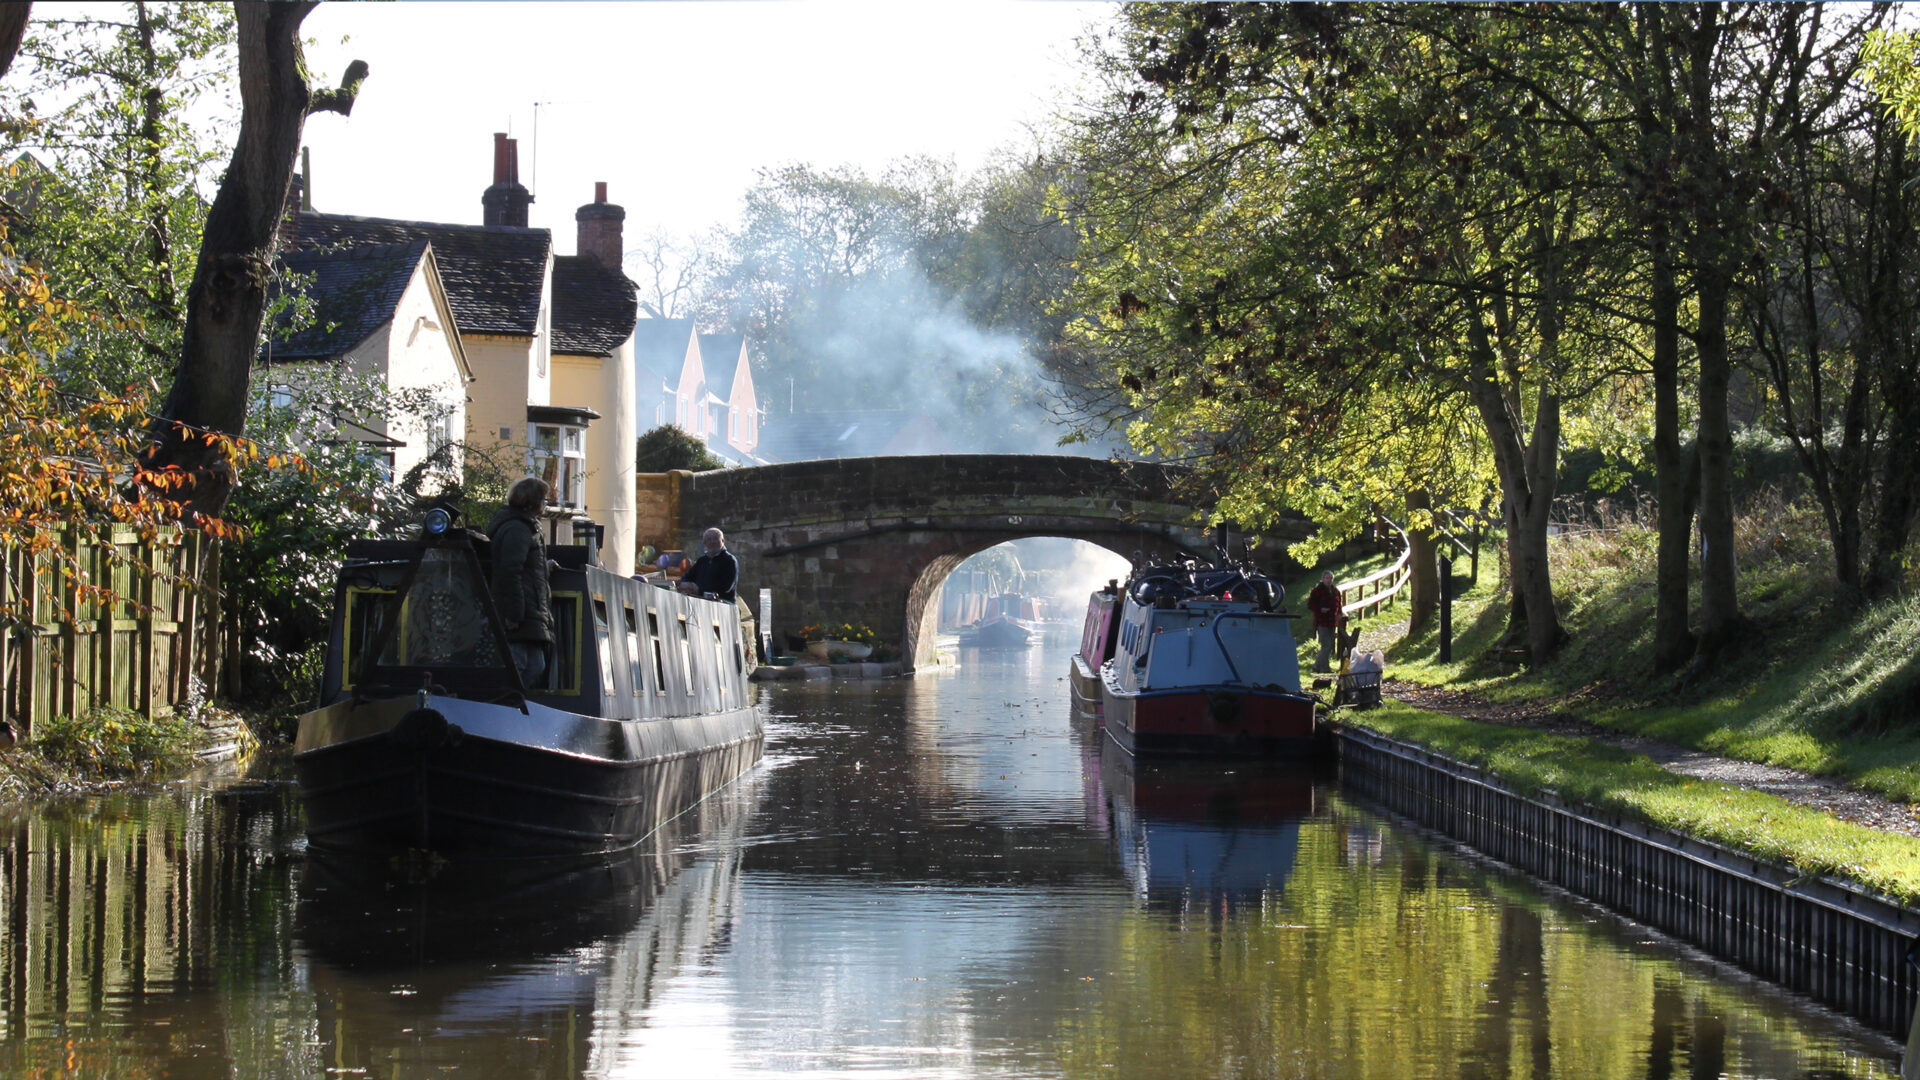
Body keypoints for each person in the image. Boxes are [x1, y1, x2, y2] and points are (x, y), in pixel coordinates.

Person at [487, 476, 555, 689]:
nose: (546, 503)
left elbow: (527, 568)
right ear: (533, 502)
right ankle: (506, 705)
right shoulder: (518, 529)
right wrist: (514, 614)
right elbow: (510, 571)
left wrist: (546, 566)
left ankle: (512, 703)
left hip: (529, 613)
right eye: (544, 499)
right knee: (522, 666)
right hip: (521, 614)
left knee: (534, 665)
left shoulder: (525, 527)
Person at [679, 527, 739, 602]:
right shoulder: (702, 561)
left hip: (723, 604)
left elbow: (726, 587)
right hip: (702, 602)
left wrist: (700, 590)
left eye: (715, 538)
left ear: (723, 540)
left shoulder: (729, 560)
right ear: (705, 543)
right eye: (709, 539)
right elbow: (687, 576)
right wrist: (684, 584)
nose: (712, 542)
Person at [1307, 570, 1346, 675]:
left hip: (1332, 622)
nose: (1329, 580)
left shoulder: (1335, 591)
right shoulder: (1317, 591)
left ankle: (1316, 666)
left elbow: (1339, 605)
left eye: (1331, 578)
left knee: (1329, 645)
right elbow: (1310, 605)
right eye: (1327, 578)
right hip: (1322, 622)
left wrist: (1339, 614)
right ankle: (1325, 668)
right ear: (1323, 579)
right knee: (1326, 645)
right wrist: (1320, 609)